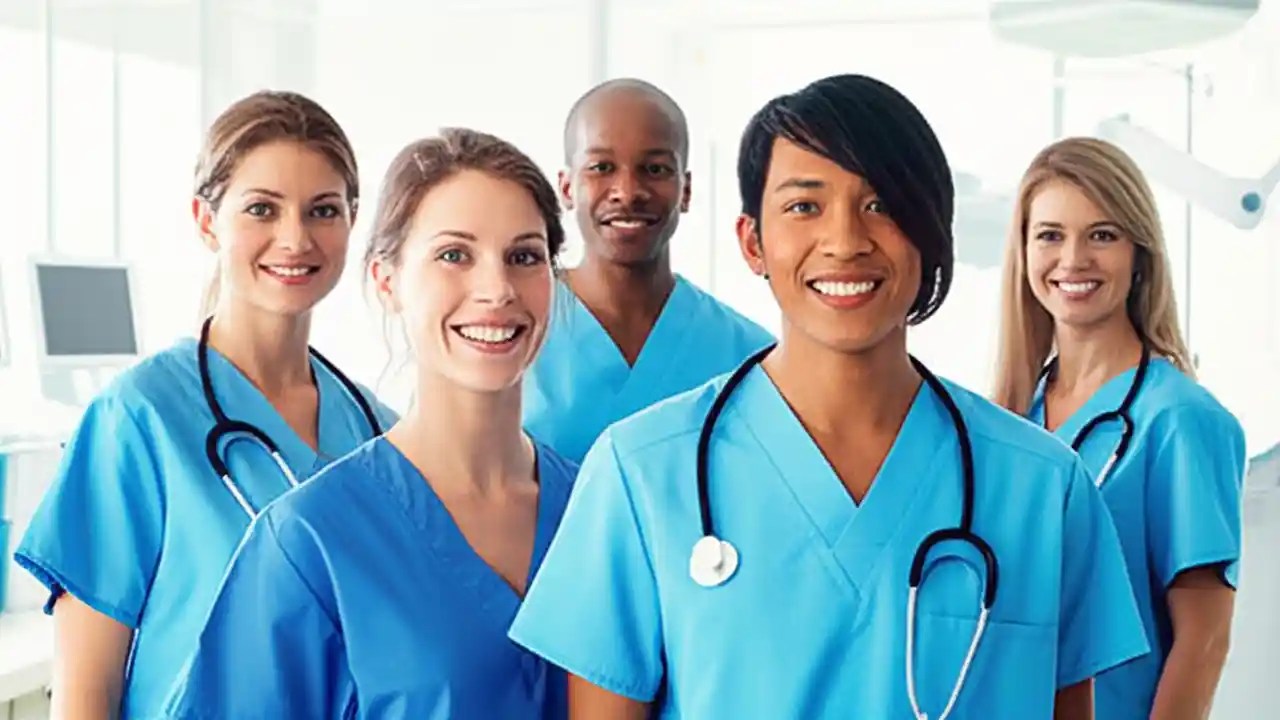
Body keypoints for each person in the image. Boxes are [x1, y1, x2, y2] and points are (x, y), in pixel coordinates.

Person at [507, 74, 1150, 719]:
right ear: (752, 242)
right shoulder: (640, 473)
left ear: (929, 233)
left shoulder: (1043, 486)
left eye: (881, 206)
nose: (846, 242)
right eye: (804, 207)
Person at [160, 128, 578, 719]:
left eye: (524, 256)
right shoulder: (311, 542)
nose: (497, 289)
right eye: (454, 255)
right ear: (387, 281)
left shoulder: (601, 511)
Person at [12, 90, 394, 719]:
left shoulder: (376, 428)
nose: (295, 238)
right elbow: (85, 691)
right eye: (262, 209)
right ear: (206, 219)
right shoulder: (140, 418)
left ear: (353, 221)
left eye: (322, 210)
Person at [992, 137, 1245, 719]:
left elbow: (1204, 642)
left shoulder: (1180, 421)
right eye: (1050, 235)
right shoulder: (1010, 419)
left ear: (1139, 255)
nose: (1073, 259)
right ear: (1024, 251)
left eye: (1102, 235)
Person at [523, 77, 774, 463]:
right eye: (601, 167)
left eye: (654, 169)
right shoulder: (510, 330)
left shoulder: (750, 356)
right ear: (567, 187)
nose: (627, 190)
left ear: (685, 190)